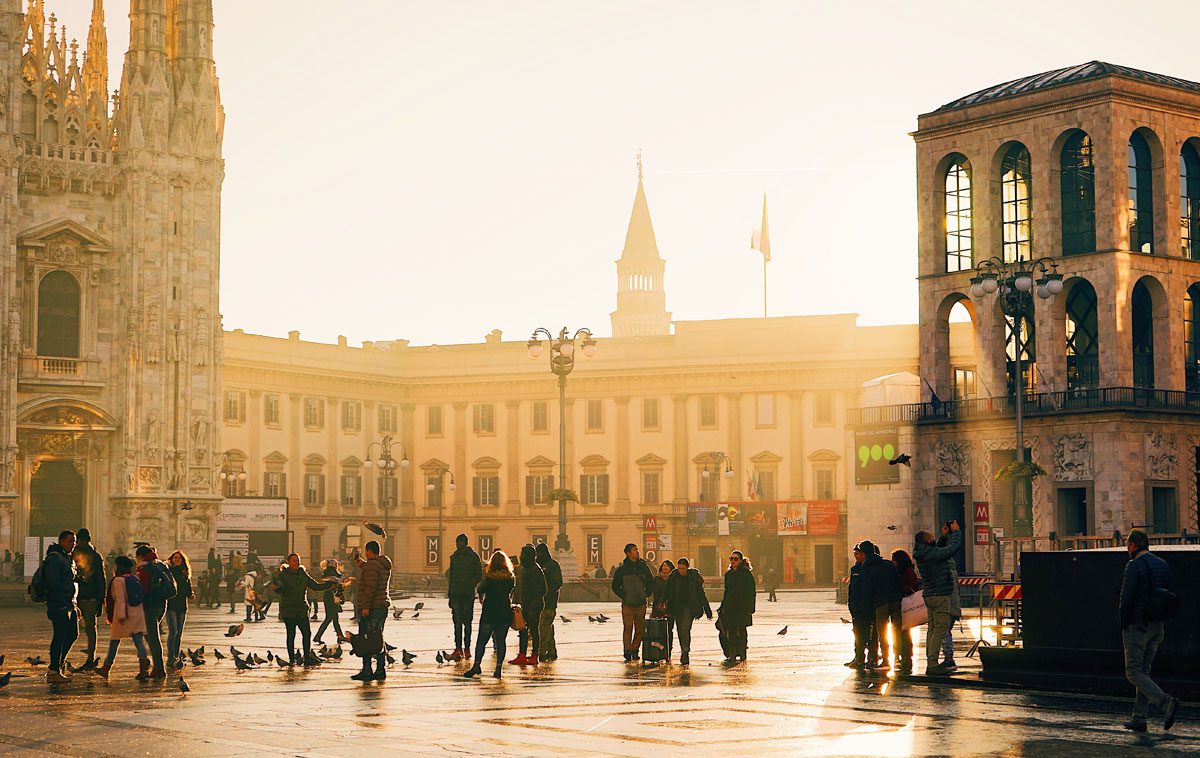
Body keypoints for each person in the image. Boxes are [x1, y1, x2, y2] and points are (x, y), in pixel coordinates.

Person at [1119, 529, 1181, 733]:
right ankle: (1139, 718)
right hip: (1157, 626)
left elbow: (1126, 599)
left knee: (1133, 672)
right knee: (1144, 672)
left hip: (1138, 627)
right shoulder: (1161, 564)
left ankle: (1165, 702)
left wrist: (1124, 624)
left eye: (1127, 545)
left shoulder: (1133, 565)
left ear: (1133, 545)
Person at [913, 520, 962, 676]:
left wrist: (943, 536)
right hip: (940, 595)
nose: (933, 538)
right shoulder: (931, 554)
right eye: (931, 537)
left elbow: (937, 552)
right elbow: (952, 548)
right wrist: (956, 532)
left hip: (930, 595)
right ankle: (932, 664)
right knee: (940, 629)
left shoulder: (923, 553)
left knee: (932, 629)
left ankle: (931, 660)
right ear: (927, 541)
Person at [272, 553, 336, 666]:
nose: (296, 563)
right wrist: (277, 588)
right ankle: (292, 659)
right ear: (288, 562)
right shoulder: (283, 575)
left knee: (307, 633)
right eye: (294, 561)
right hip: (289, 610)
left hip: (301, 609)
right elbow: (280, 588)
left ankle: (307, 658)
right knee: (291, 635)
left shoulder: (303, 574)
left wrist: (329, 585)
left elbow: (315, 586)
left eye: (298, 560)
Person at [96, 555, 151, 680]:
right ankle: (144, 668)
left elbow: (120, 599)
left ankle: (106, 667)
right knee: (138, 641)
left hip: (124, 614)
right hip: (137, 613)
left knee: (114, 641)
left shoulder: (118, 580)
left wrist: (121, 616)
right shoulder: (135, 578)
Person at [464, 550, 515, 679]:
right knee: (501, 641)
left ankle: (476, 665)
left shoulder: (489, 578)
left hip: (490, 612)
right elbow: (511, 592)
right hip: (504, 612)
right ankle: (498, 668)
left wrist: (482, 596)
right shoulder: (510, 578)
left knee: (482, 640)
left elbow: (480, 589)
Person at [860, 539, 906, 673]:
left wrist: (866, 607)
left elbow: (867, 589)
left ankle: (886, 660)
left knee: (883, 631)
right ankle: (897, 658)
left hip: (880, 603)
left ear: (863, 553)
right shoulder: (887, 563)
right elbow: (899, 580)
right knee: (897, 630)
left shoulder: (865, 567)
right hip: (895, 600)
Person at [352, 540, 392, 681]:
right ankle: (380, 669)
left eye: (366, 551)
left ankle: (367, 670)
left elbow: (370, 587)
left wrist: (365, 607)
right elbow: (376, 577)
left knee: (367, 640)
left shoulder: (371, 566)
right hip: (382, 605)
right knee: (377, 639)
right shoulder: (382, 564)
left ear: (369, 551)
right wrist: (364, 565)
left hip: (373, 607)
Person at [43, 530, 80, 683]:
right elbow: (53, 583)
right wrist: (60, 604)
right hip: (59, 604)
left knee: (72, 634)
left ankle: (58, 664)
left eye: (74, 541)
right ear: (61, 541)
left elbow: (69, 581)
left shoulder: (68, 558)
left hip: (69, 603)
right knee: (59, 636)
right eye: (70, 541)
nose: (73, 544)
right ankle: (54, 670)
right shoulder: (54, 558)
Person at [134, 544, 174, 679]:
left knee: (153, 638)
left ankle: (159, 668)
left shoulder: (144, 568)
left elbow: (144, 589)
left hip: (149, 606)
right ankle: (150, 664)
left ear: (140, 556)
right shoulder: (160, 565)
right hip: (161, 604)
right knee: (149, 635)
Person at [610, 543, 654, 662]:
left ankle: (635, 649)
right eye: (634, 550)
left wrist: (646, 594)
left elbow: (651, 582)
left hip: (641, 604)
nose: (637, 551)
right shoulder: (622, 570)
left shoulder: (643, 567)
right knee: (628, 627)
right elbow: (615, 586)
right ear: (628, 553)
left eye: (637, 549)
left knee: (640, 629)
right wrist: (624, 595)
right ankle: (627, 650)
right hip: (628, 604)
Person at [664, 557, 711, 665]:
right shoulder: (674, 576)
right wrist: (662, 601)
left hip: (689, 607)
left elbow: (700, 594)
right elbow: (667, 590)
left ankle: (685, 651)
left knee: (685, 629)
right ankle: (683, 650)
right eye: (679, 568)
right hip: (676, 607)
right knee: (680, 630)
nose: (681, 571)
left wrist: (707, 609)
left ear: (687, 568)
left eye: (683, 569)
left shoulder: (693, 578)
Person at [71, 527, 106, 671]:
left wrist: (100, 600)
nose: (80, 543)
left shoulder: (95, 556)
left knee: (90, 628)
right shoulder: (72, 555)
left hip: (89, 597)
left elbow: (100, 579)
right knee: (72, 629)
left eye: (82, 540)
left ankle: (91, 656)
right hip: (75, 597)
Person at [446, 534, 483, 660]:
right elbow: (451, 577)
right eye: (457, 542)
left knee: (467, 622)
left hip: (467, 594)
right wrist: (450, 594)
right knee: (457, 622)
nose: (458, 545)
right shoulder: (454, 557)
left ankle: (466, 648)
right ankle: (458, 648)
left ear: (465, 543)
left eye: (460, 542)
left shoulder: (472, 557)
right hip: (456, 593)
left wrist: (470, 584)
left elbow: (479, 574)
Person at [510, 544, 547, 666]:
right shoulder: (525, 569)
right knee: (522, 629)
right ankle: (522, 654)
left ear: (529, 556)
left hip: (534, 605)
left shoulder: (535, 570)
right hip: (525, 604)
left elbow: (543, 590)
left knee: (534, 630)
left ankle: (534, 655)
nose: (521, 557)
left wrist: (533, 605)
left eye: (523, 555)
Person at [717, 550, 756, 663]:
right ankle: (732, 654)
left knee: (742, 630)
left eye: (736, 559)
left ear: (740, 561)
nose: (733, 561)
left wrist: (751, 607)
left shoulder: (746, 574)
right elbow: (727, 592)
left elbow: (751, 592)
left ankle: (743, 654)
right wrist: (722, 606)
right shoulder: (728, 575)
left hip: (742, 606)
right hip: (730, 607)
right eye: (731, 559)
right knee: (731, 630)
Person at [935, 525, 962, 672]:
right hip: (952, 605)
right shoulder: (951, 568)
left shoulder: (945, 570)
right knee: (945, 631)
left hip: (947, 605)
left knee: (945, 632)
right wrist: (944, 537)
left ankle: (949, 658)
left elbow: (951, 548)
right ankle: (948, 658)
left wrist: (956, 532)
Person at [846, 543, 875, 669]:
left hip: (868, 607)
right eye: (855, 554)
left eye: (857, 553)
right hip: (856, 607)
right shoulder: (855, 569)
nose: (856, 556)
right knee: (857, 634)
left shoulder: (870, 568)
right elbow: (852, 588)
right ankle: (859, 658)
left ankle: (872, 658)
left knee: (870, 635)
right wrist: (851, 604)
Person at [165, 550, 195, 670]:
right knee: (173, 630)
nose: (177, 560)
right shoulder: (168, 571)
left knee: (179, 633)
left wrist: (191, 594)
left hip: (182, 605)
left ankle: (176, 656)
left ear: (183, 560)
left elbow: (188, 588)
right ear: (171, 559)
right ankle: (171, 656)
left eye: (179, 558)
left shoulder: (185, 572)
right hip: (171, 604)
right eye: (175, 558)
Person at [535, 542, 563, 662]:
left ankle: (542, 652)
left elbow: (557, 583)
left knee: (543, 627)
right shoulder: (552, 564)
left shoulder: (545, 566)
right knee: (548, 627)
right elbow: (558, 583)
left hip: (547, 602)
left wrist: (545, 592)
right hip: (550, 602)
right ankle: (552, 651)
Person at [649, 559, 676, 661]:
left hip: (670, 609)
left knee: (669, 630)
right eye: (663, 565)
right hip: (657, 608)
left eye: (667, 566)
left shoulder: (674, 579)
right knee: (657, 631)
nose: (665, 567)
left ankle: (668, 651)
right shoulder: (656, 579)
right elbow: (654, 592)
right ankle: (658, 651)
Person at [314, 560, 345, 644]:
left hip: (327, 596)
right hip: (333, 596)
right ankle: (318, 636)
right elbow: (338, 586)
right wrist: (342, 596)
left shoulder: (326, 572)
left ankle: (340, 636)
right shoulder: (334, 573)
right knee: (329, 618)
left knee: (334, 618)